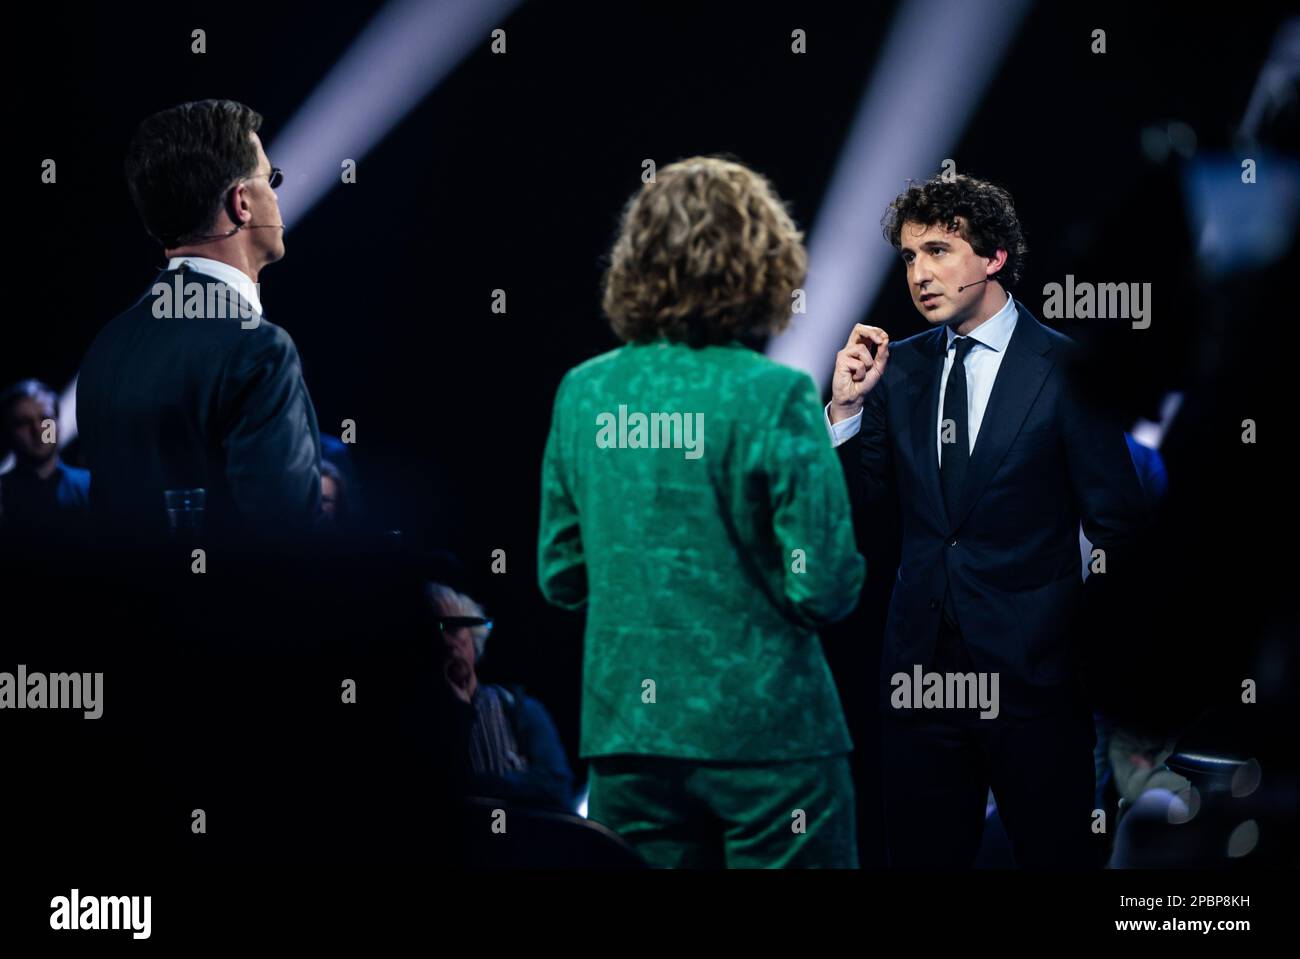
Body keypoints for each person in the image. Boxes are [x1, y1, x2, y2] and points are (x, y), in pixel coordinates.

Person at [539, 156, 865, 868]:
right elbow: (828, 585)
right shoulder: (774, 394)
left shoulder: (583, 392)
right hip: (770, 741)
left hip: (628, 735)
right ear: (760, 259)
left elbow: (561, 576)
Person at [828, 173, 1148, 868]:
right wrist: (847, 413)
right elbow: (855, 516)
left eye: (939, 250)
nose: (920, 273)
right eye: (910, 257)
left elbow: (1121, 529)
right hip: (920, 686)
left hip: (1035, 690)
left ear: (995, 256)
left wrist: (1076, 651)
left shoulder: (1066, 368)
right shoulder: (898, 371)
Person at [77, 99, 320, 537]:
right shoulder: (258, 351)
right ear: (242, 202)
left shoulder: (105, 347)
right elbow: (290, 551)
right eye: (271, 179)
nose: (278, 194)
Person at [429, 583, 575, 812]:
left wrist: (480, 786)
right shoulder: (418, 719)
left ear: (473, 638)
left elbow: (556, 787)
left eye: (455, 630)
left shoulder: (515, 707)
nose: (447, 643)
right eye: (434, 633)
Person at [0, 379, 90, 536]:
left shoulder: (91, 487)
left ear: (58, 424)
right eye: (23, 422)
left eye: (45, 419)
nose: (38, 430)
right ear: (8, 432)